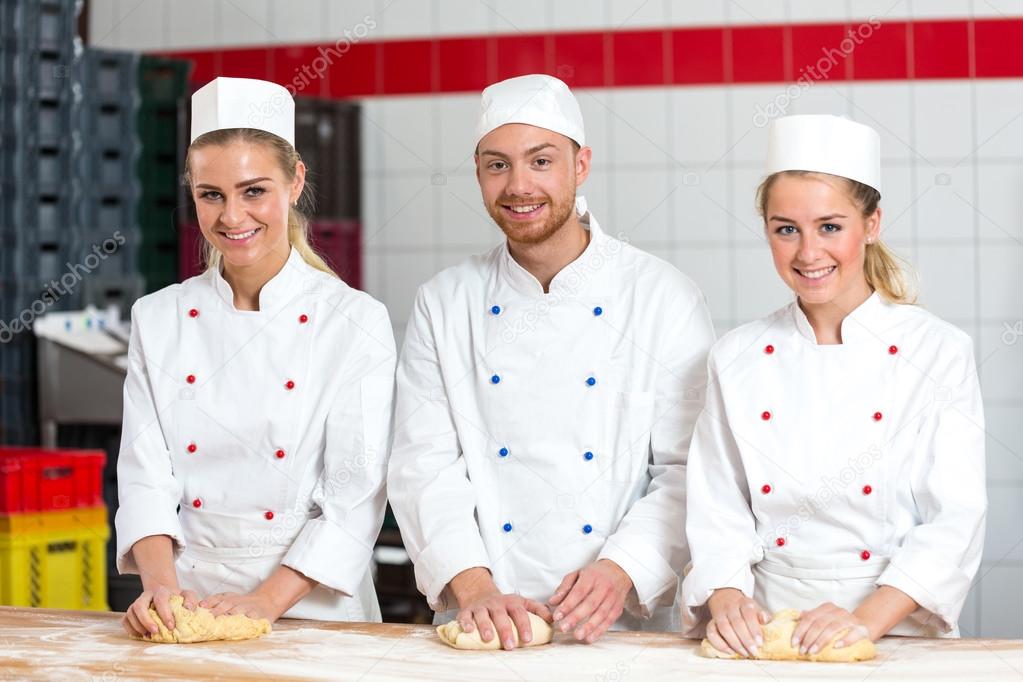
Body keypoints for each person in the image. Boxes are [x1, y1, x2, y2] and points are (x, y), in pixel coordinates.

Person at [387, 74, 716, 649]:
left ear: (581, 164)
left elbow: (688, 471)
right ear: (478, 172)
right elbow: (423, 468)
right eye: (497, 165)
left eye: (541, 161)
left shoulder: (663, 297)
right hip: (483, 624)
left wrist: (619, 571)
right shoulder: (445, 302)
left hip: (621, 630)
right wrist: (474, 587)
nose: (519, 186)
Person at [682, 114, 986, 658]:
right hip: (765, 631)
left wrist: (862, 623)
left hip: (895, 632)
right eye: (785, 229)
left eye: (830, 226)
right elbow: (717, 508)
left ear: (871, 224)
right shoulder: (737, 357)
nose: (807, 253)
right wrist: (727, 598)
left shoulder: (938, 352)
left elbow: (955, 520)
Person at [116, 77, 395, 637]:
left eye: (253, 191)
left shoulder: (353, 320)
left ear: (295, 182)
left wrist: (266, 601)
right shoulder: (158, 316)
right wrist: (160, 587)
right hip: (187, 597)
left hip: (316, 608)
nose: (232, 218)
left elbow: (355, 494)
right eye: (211, 195)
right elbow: (146, 477)